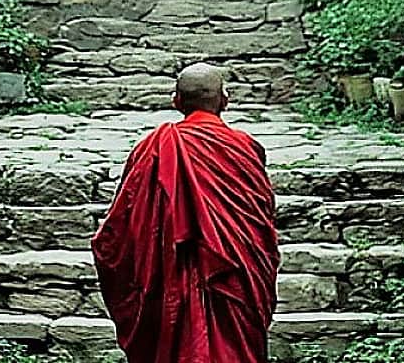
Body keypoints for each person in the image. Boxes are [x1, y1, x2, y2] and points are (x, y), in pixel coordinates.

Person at [91, 63, 280, 363]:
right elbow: (261, 215)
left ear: (176, 101)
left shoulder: (153, 147)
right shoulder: (245, 147)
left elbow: (122, 224)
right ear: (225, 100)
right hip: (236, 273)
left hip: (172, 275)